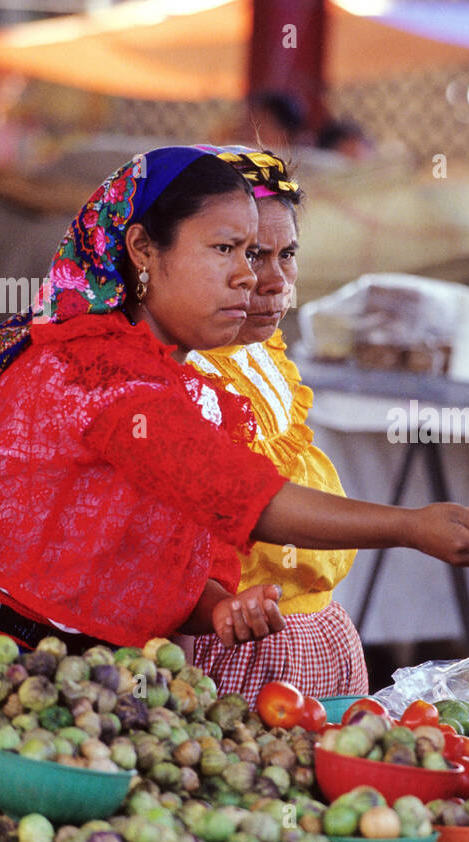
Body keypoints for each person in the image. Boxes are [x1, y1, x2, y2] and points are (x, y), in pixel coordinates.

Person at [0, 145, 469, 697]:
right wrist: (409, 527)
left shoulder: (186, 387)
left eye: (261, 253)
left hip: (64, 685)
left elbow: (129, 537)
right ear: (143, 251)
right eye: (226, 250)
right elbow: (248, 499)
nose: (252, 276)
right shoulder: (94, 374)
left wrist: (215, 607)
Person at [174, 147, 364, 702]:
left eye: (288, 254)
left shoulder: (263, 353)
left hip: (318, 640)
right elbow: (176, 564)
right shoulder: (186, 377)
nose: (276, 280)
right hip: (236, 661)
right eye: (252, 254)